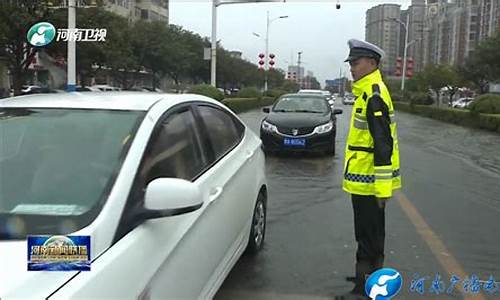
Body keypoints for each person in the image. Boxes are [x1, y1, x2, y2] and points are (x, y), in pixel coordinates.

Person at [338, 39, 402, 299]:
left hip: (370, 183)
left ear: (372, 63)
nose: (352, 68)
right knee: (369, 235)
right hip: (364, 181)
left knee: (368, 237)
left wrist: (382, 190)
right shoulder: (367, 91)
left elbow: (383, 145)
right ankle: (368, 279)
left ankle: (364, 292)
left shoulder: (373, 94)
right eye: (351, 63)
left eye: (355, 63)